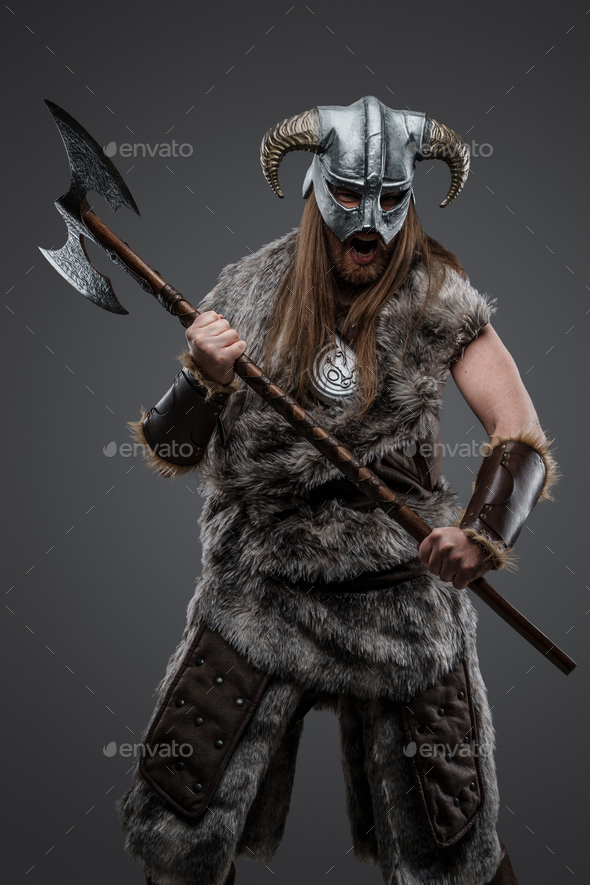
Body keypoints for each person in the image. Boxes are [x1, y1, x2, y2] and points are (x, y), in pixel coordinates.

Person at [117, 96, 556, 885]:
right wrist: (202, 380)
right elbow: (173, 447)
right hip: (262, 589)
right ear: (316, 183)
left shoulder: (438, 297)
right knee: (178, 825)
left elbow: (517, 429)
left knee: (453, 846)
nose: (370, 222)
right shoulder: (248, 288)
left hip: (400, 596)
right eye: (350, 195)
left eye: (390, 200)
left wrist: (481, 533)